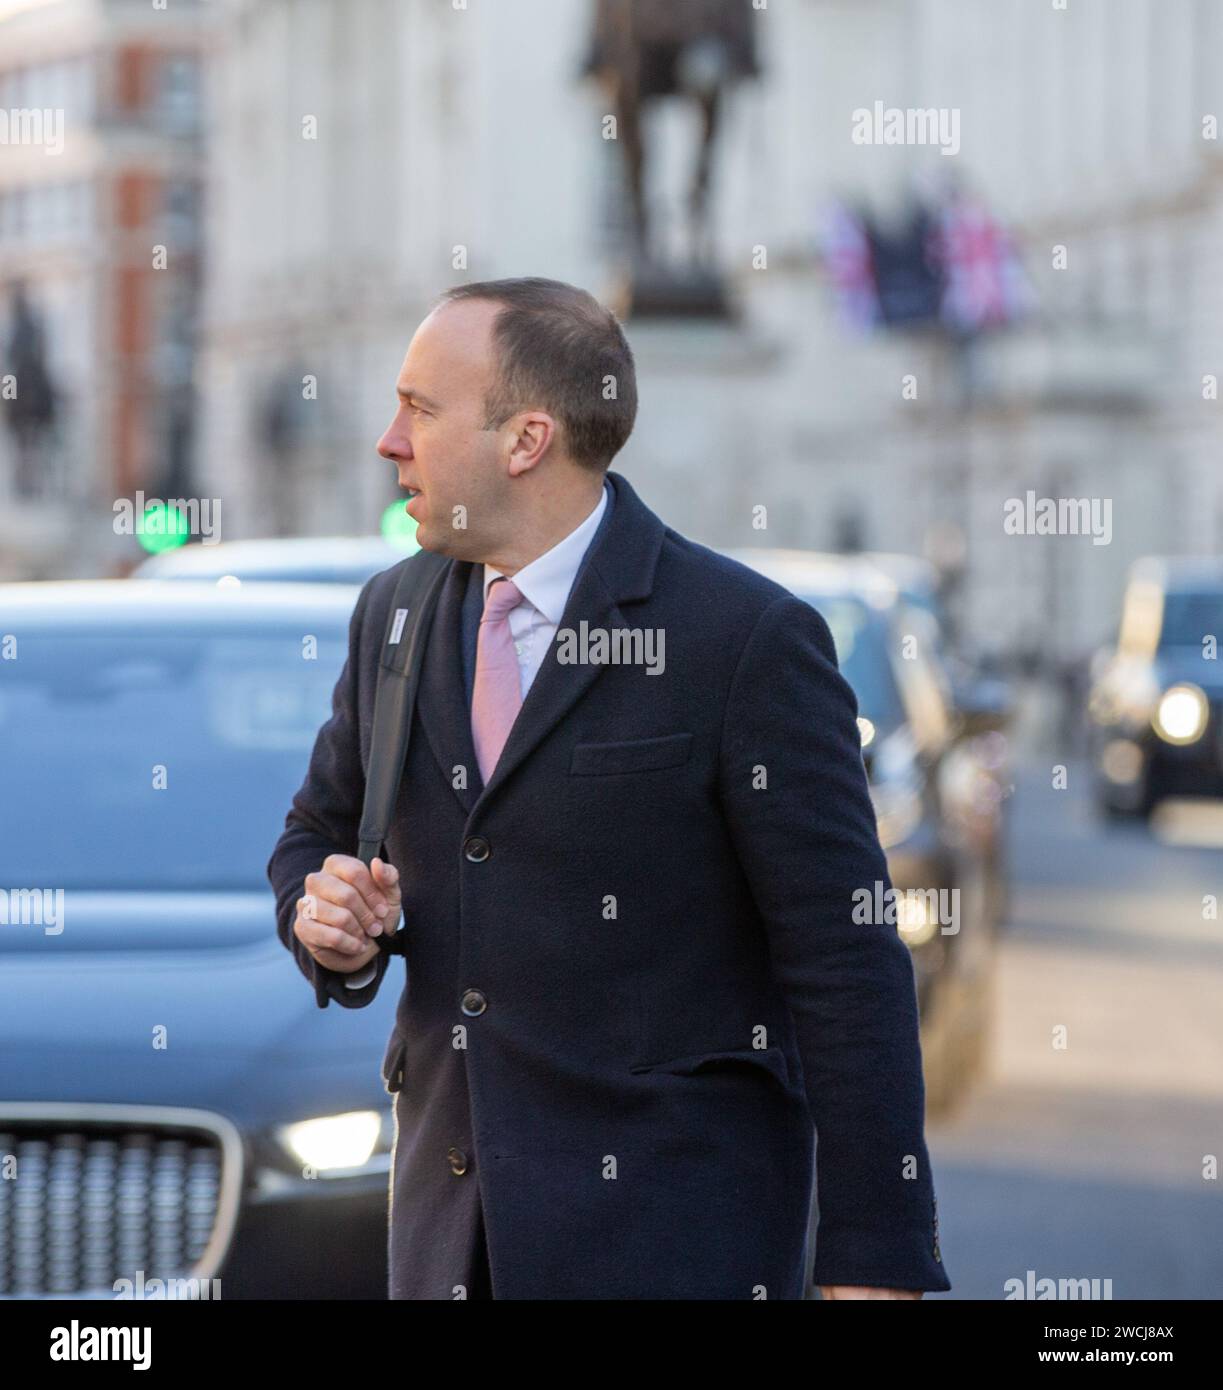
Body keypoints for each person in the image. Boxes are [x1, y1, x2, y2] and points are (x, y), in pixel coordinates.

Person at [267, 276, 950, 1301]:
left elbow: (844, 963)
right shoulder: (392, 615)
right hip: (445, 1246)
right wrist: (325, 919)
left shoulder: (742, 639)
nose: (388, 441)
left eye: (418, 408)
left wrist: (874, 1258)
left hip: (670, 1246)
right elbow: (313, 834)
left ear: (526, 439)